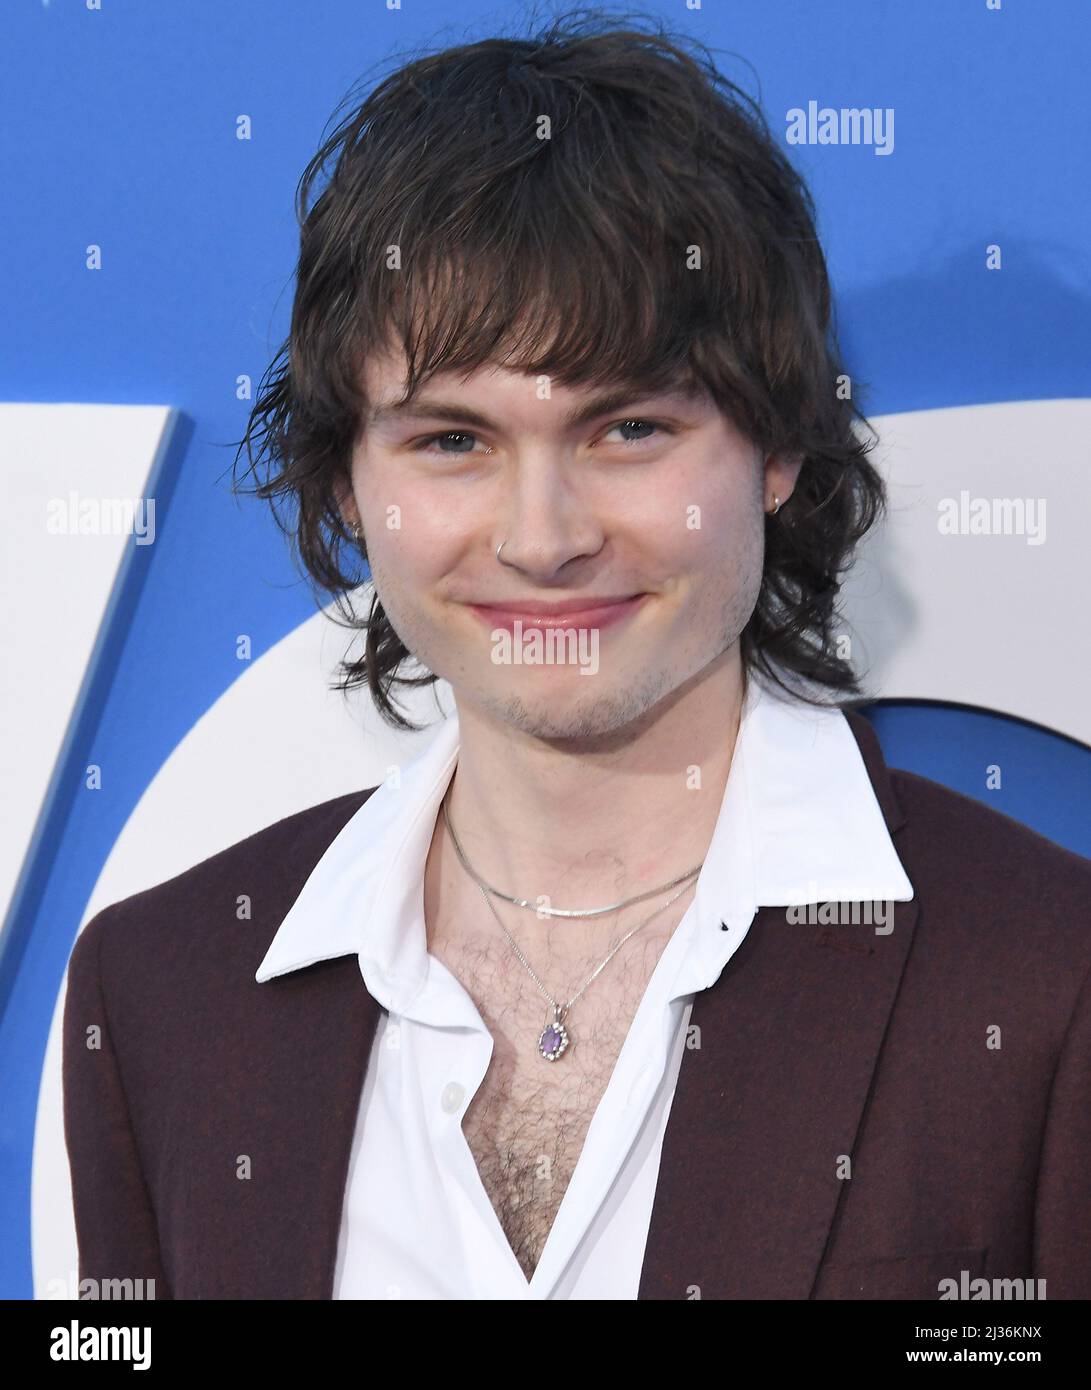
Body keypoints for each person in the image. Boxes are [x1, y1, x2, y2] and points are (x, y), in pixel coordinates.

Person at [63, 10, 1091, 1300]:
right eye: (452, 441)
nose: (544, 539)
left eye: (630, 429)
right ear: (344, 487)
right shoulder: (161, 990)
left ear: (776, 449)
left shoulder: (1050, 977)